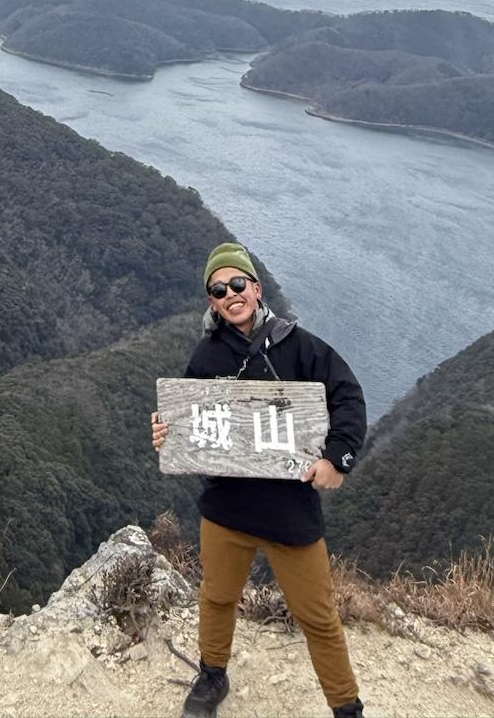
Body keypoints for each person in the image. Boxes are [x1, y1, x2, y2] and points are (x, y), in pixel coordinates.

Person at [151, 242, 367, 718]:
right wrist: (169, 433)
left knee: (317, 616)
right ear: (211, 301)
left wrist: (337, 460)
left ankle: (346, 706)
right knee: (217, 596)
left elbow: (348, 397)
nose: (231, 294)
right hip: (228, 506)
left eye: (238, 284)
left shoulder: (300, 346)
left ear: (256, 288)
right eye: (219, 289)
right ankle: (212, 676)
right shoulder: (207, 356)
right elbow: (187, 420)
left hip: (290, 513)